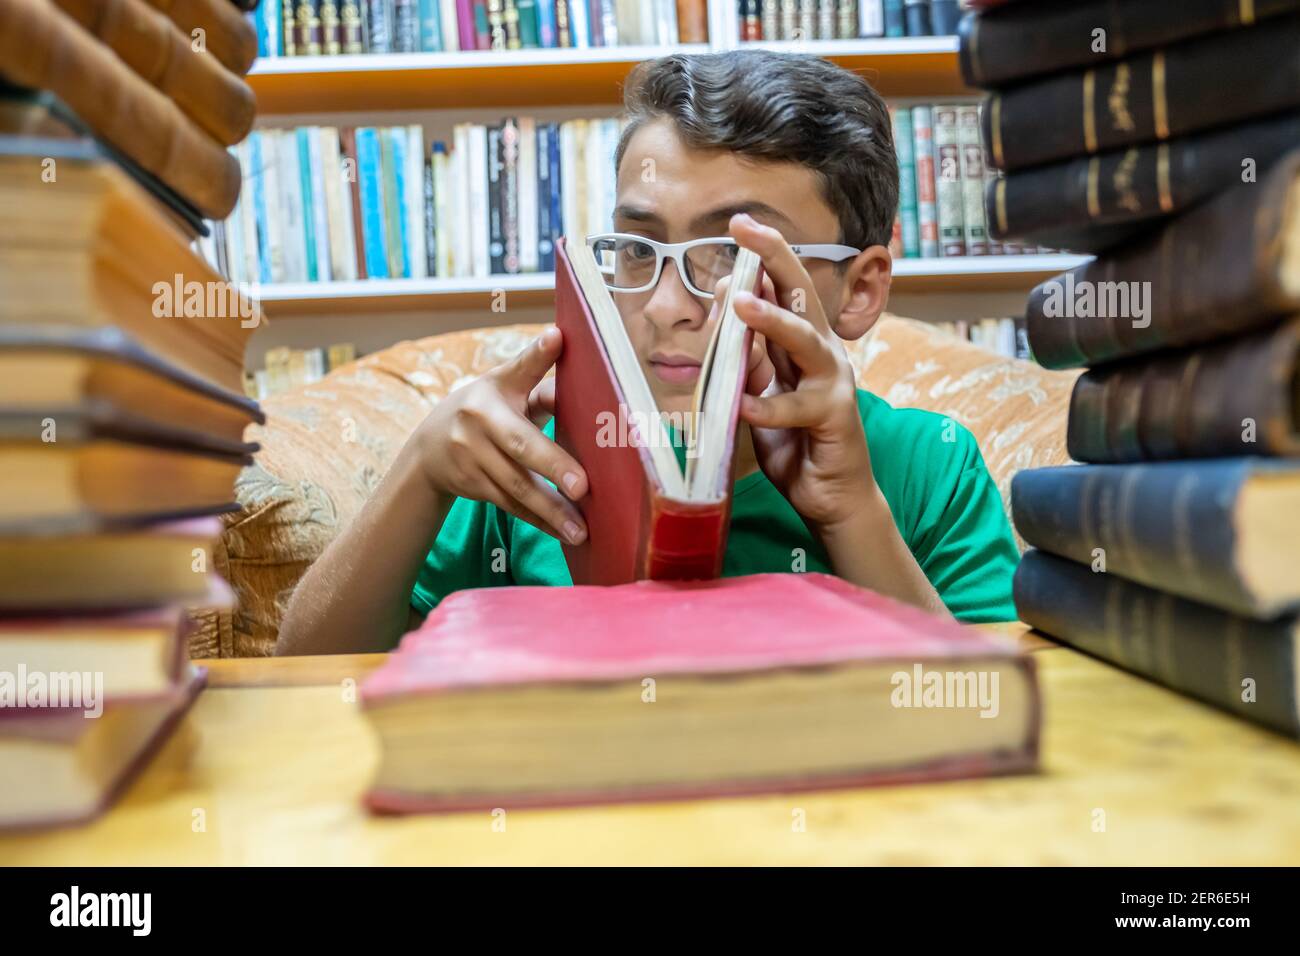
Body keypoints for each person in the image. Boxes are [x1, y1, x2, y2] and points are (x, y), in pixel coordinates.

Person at [276, 50, 1021, 655]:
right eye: (637, 249)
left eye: (730, 255)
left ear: (858, 291)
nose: (666, 308)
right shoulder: (532, 469)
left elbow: (984, 723)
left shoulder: (930, 467)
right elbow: (307, 687)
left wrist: (852, 514)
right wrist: (422, 471)